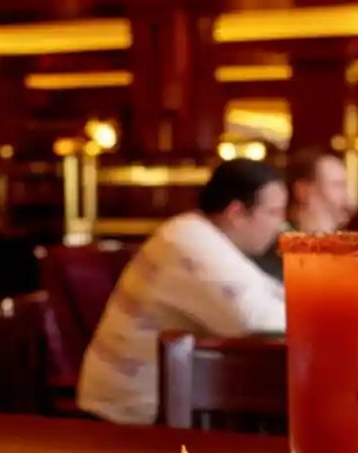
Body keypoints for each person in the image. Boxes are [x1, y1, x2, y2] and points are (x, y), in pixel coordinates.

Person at [77, 159, 287, 425]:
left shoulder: (203, 234)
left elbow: (274, 295)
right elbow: (255, 319)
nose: (280, 224)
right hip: (125, 416)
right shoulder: (189, 241)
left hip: (158, 406)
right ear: (236, 213)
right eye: (273, 212)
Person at [252, 148, 353, 281]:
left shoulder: (344, 250)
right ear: (304, 191)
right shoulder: (277, 249)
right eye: (337, 185)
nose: (347, 197)